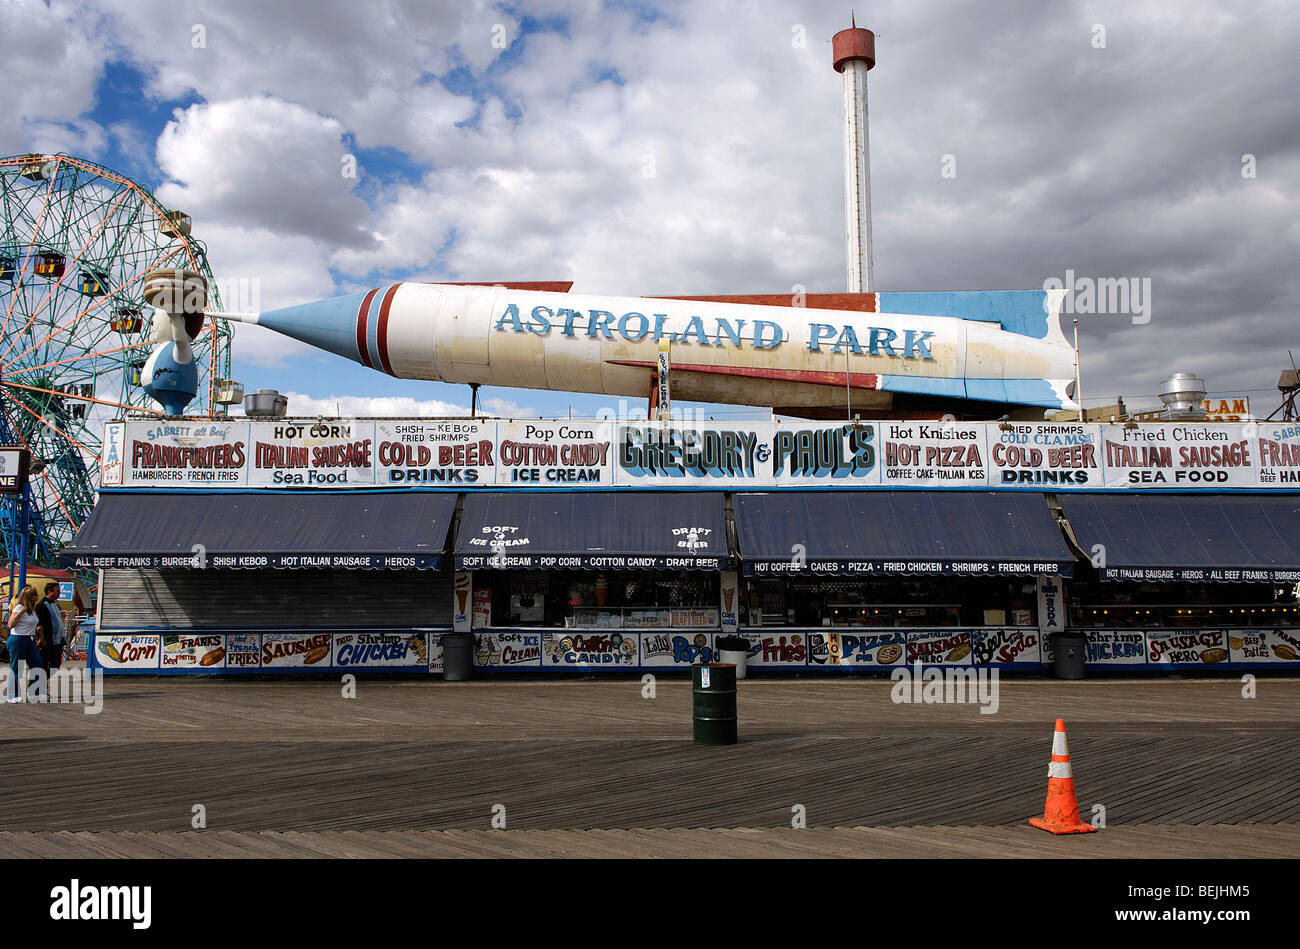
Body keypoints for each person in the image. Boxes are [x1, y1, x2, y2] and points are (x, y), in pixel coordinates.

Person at [7, 585, 46, 703]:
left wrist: (35, 636)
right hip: (17, 639)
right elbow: (10, 625)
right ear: (30, 597)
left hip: (29, 640)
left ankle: (35, 692)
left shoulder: (32, 610)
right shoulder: (19, 608)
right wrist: (20, 613)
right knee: (16, 668)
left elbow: (31, 625)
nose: (37, 596)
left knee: (38, 665)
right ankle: (12, 695)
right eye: (35, 595)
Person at [36, 581, 66, 672]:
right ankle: (39, 682)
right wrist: (42, 639)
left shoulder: (55, 604)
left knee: (56, 665)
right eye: (57, 591)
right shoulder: (42, 605)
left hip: (58, 641)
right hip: (49, 641)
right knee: (46, 665)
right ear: (49, 592)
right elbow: (39, 624)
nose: (59, 593)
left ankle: (42, 681)